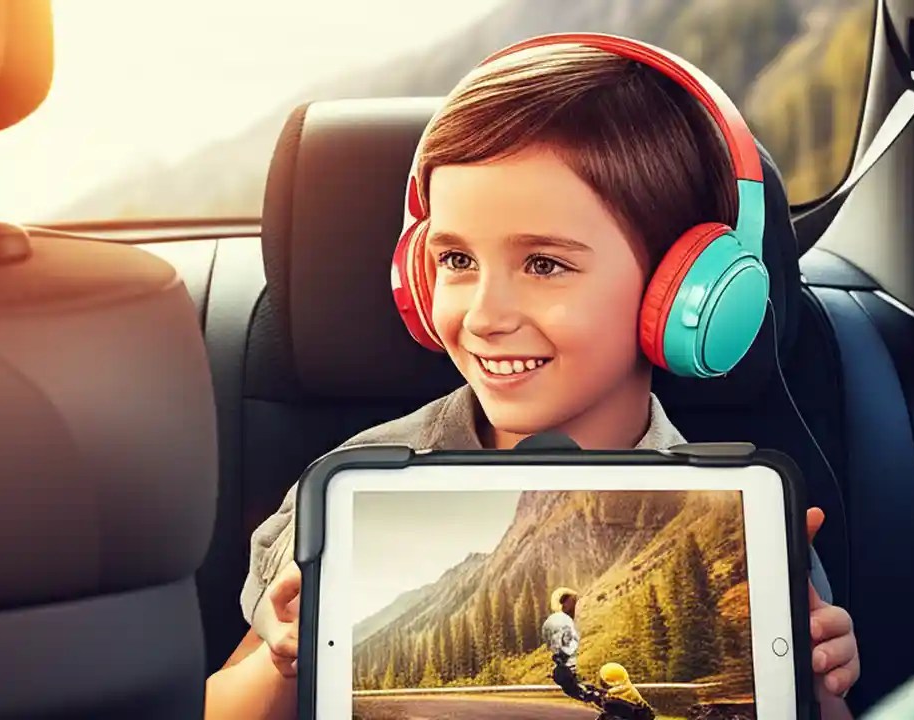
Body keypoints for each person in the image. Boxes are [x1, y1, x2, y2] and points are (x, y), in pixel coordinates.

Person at [204, 33, 861, 720]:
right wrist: (285, 659)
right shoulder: (349, 483)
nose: (484, 316)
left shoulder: (746, 515)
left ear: (686, 292)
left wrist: (817, 689)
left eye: (544, 265)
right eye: (456, 261)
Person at [542, 587, 605, 704]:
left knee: (582, 687)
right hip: (566, 666)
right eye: (570, 602)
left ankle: (594, 696)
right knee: (577, 686)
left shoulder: (569, 616)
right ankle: (592, 696)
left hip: (568, 666)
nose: (573, 604)